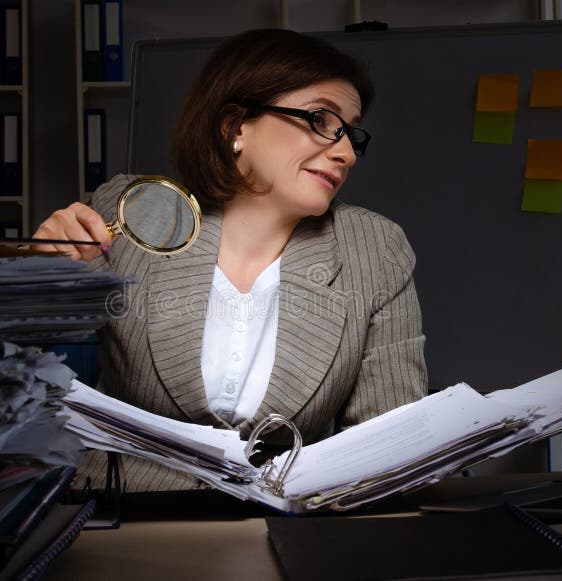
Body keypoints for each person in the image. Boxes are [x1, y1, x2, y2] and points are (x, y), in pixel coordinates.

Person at [34, 29, 428, 492]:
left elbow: (392, 445)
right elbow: (8, 370)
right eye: (322, 119)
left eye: (350, 132)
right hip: (130, 518)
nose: (345, 153)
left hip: (293, 524)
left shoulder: (375, 248)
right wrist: (36, 273)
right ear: (235, 127)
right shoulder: (135, 212)